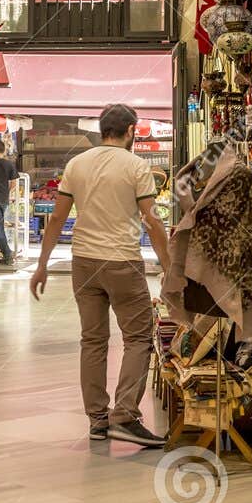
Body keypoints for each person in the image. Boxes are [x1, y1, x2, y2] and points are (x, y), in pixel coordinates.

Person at [31, 103, 171, 447]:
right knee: (138, 337)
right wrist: (169, 267)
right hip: (122, 262)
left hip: (84, 263)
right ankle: (124, 415)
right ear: (131, 131)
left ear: (101, 129)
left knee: (92, 340)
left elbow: (57, 218)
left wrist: (42, 264)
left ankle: (97, 420)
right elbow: (152, 221)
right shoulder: (136, 166)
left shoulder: (77, 164)